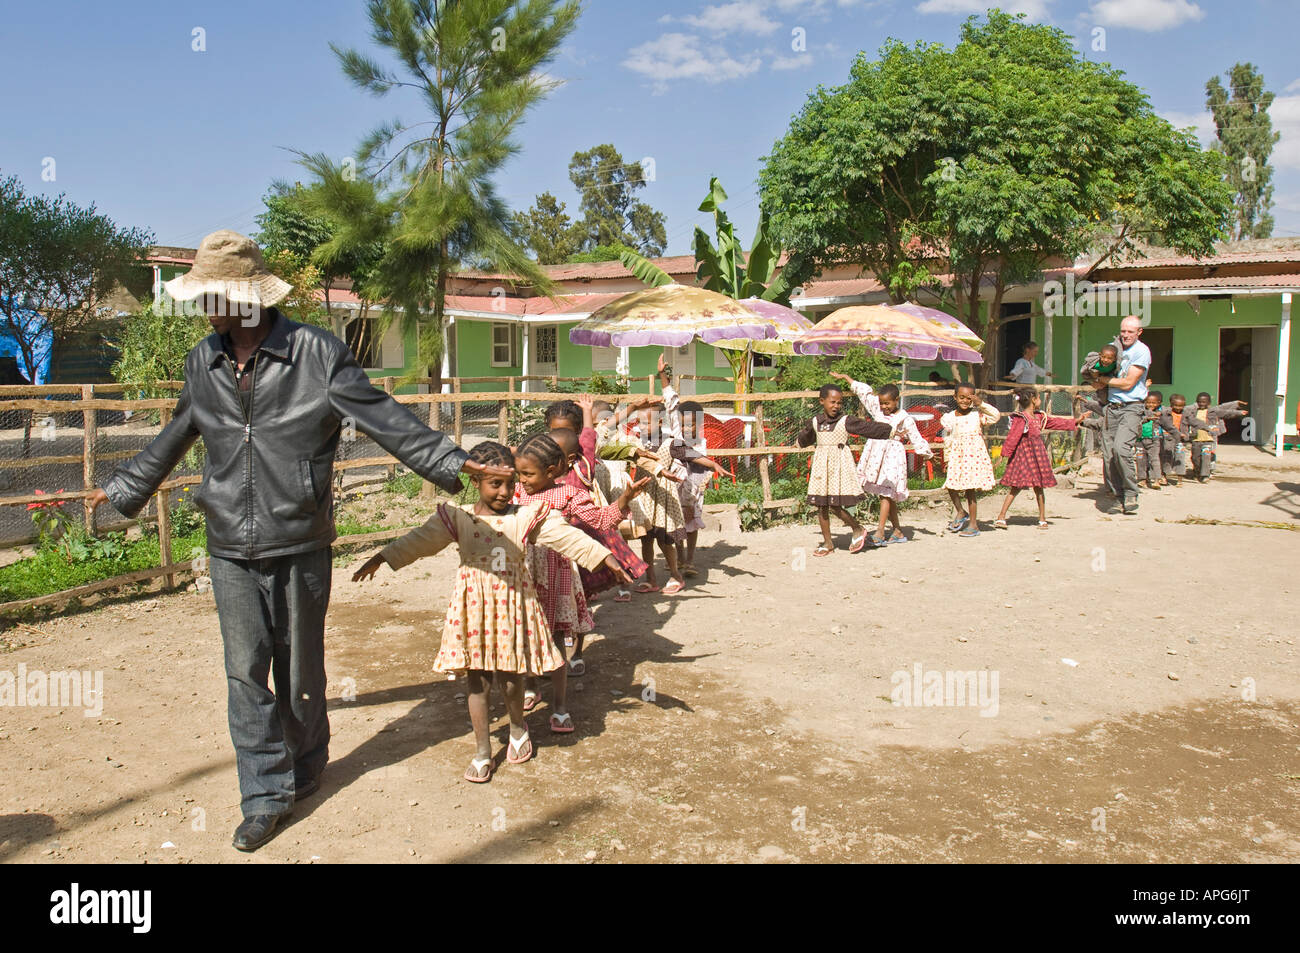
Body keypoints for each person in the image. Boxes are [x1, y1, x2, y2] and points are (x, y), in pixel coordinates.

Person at [86, 230, 505, 851]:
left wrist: (452, 460)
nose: (203, 308)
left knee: (301, 667)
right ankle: (264, 795)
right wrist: (124, 490)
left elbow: (383, 416)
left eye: (213, 296)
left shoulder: (315, 353)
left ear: (245, 297)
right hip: (228, 538)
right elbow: (179, 430)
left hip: (301, 535)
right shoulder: (203, 361)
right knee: (244, 671)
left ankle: (307, 762)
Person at [351, 442, 626, 783]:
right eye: (495, 484)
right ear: (476, 482)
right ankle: (482, 751)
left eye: (510, 483)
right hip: (473, 609)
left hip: (513, 607)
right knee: (477, 680)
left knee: (511, 678)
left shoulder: (526, 516)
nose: (505, 491)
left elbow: (565, 537)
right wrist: (383, 557)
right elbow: (419, 540)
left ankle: (516, 728)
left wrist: (604, 557)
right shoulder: (457, 517)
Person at [794, 381, 895, 556]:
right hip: (821, 468)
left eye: (839, 402)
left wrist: (890, 431)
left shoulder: (846, 421)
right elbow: (807, 436)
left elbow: (867, 428)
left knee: (834, 505)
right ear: (822, 401)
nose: (836, 406)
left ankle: (857, 528)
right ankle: (827, 543)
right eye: (832, 402)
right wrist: (798, 443)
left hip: (839, 467)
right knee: (821, 505)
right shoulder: (816, 422)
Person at [834, 373, 933, 545]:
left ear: (896, 400)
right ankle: (897, 531)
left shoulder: (905, 418)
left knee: (886, 493)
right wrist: (847, 378)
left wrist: (926, 453)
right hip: (876, 455)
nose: (884, 407)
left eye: (887, 403)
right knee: (885, 493)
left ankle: (880, 532)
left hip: (892, 457)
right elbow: (864, 393)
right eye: (882, 403)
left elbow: (916, 437)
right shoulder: (877, 409)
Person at [993, 388, 1085, 529]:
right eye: (1039, 398)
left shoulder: (1039, 417)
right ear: (1033, 400)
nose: (1040, 401)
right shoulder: (1021, 418)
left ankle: (1042, 518)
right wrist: (1004, 454)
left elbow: (1055, 423)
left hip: (1037, 457)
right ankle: (1001, 516)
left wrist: (1075, 421)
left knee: (1038, 487)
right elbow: (1013, 437)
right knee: (1015, 487)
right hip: (1023, 457)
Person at [1093, 316, 1151, 515]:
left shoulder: (1141, 351)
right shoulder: (1113, 348)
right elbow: (1096, 369)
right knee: (1109, 454)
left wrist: (1103, 380)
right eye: (1123, 331)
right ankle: (1116, 497)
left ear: (1139, 332)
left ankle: (1130, 492)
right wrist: (1095, 376)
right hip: (1111, 407)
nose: (1125, 335)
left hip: (1131, 407)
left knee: (1121, 449)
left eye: (1130, 332)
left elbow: (1128, 383)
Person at [670, 401, 729, 576]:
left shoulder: (700, 443)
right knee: (676, 524)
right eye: (682, 424)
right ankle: (679, 558)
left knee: (692, 524)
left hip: (694, 490)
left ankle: (689, 560)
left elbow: (694, 462)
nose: (686, 428)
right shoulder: (676, 440)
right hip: (677, 487)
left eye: (690, 424)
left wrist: (710, 465)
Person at [940, 384, 1000, 537]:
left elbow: (995, 416)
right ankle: (960, 511)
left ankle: (973, 524)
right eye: (961, 397)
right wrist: (946, 459)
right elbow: (947, 439)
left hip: (973, 458)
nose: (965, 401)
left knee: (970, 490)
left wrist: (981, 404)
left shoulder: (977, 415)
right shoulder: (949, 418)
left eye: (969, 398)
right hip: (957, 456)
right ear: (955, 397)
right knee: (951, 485)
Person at [1186, 392, 1249, 483]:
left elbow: (1226, 412)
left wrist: (1239, 412)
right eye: (1199, 402)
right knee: (1195, 458)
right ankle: (1197, 471)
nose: (1202, 404)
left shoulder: (1214, 411)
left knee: (1206, 456)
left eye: (1204, 402)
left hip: (1209, 439)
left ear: (1209, 403)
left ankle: (1205, 475)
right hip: (1196, 438)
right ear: (1196, 402)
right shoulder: (1192, 411)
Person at [1156, 393, 1191, 486]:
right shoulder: (1166, 412)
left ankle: (1179, 478)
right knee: (1166, 457)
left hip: (1181, 439)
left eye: (1181, 406)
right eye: (1176, 405)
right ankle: (1164, 476)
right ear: (1171, 404)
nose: (1178, 407)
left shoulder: (1186, 413)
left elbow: (1192, 422)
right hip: (1168, 437)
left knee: (1180, 457)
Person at [1135, 392, 1167, 490]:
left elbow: (1168, 416)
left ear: (1159, 403)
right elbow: (1137, 420)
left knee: (1154, 460)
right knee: (1140, 460)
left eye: (1154, 403)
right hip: (1140, 440)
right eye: (1148, 402)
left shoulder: (1161, 413)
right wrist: (1146, 418)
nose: (1151, 405)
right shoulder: (1140, 412)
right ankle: (1142, 479)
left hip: (1154, 440)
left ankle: (1156, 479)